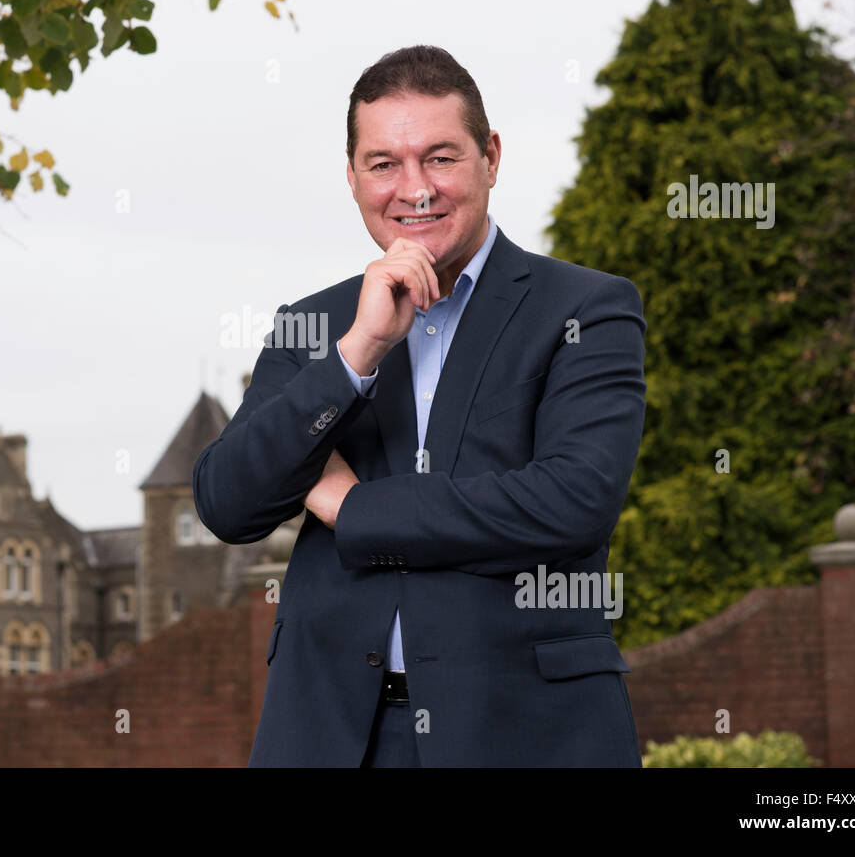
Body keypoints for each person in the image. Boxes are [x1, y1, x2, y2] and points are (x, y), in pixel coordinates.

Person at [192, 45, 647, 767]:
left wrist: (354, 510)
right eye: (383, 164)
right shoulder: (315, 328)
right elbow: (227, 502)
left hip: (528, 733)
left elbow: (571, 502)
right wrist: (357, 355)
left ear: (490, 157)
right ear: (351, 177)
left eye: (440, 157)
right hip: (331, 740)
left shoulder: (587, 309)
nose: (415, 190)